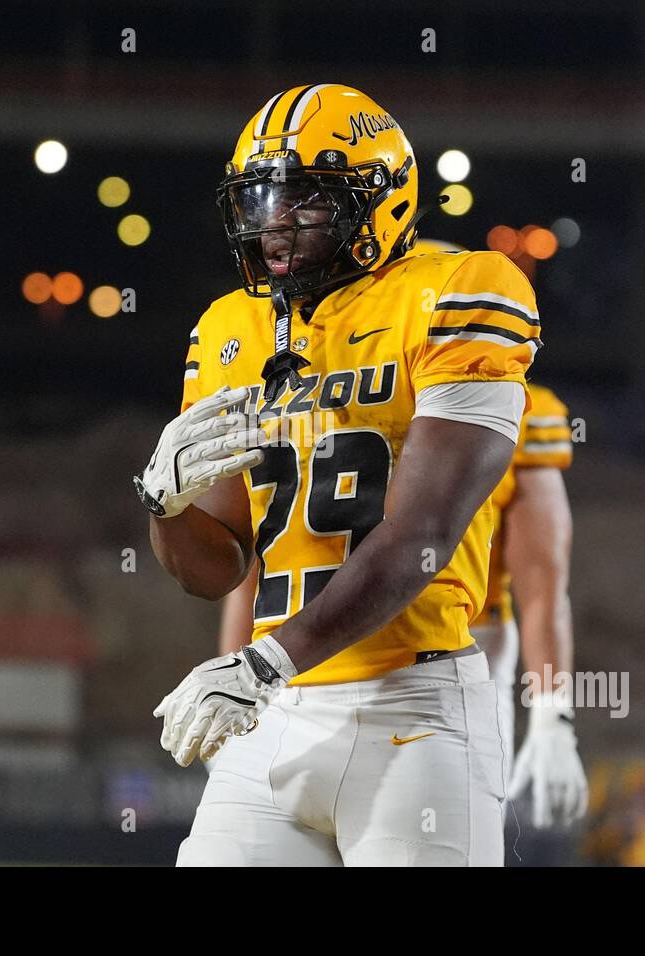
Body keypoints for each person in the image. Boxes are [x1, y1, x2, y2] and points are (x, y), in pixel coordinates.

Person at [137, 84, 542, 865]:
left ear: (382, 200)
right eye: (259, 199)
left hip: (412, 711)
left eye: (303, 200)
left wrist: (262, 662)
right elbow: (214, 568)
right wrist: (162, 503)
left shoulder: (459, 291)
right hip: (272, 710)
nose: (272, 224)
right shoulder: (230, 328)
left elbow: (422, 536)